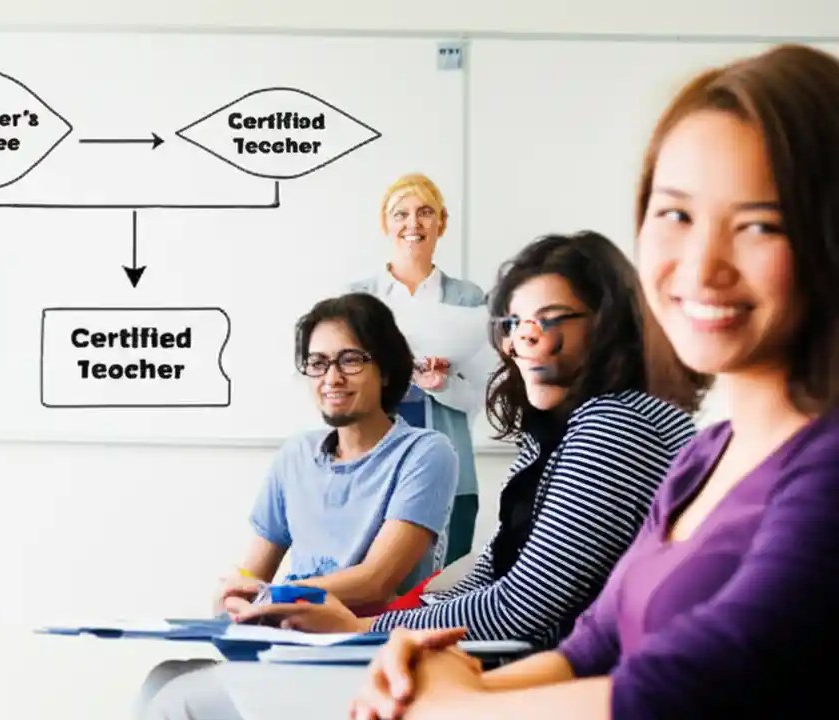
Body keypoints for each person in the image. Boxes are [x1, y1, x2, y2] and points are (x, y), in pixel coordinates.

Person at [349, 43, 839, 720]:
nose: (702, 263)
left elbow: (703, 681)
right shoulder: (708, 453)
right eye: (675, 215)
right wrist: (427, 676)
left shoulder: (822, 461)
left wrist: (453, 703)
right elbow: (593, 642)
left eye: (759, 224)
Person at [142, 232, 706, 720]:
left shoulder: (616, 423)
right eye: (513, 323)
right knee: (166, 680)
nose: (525, 338)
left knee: (185, 700)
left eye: (551, 320)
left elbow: (524, 607)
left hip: (525, 673)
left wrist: (364, 629)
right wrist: (254, 595)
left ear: (609, 326)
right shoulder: (552, 435)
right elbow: (489, 573)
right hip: (485, 653)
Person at [135, 293, 459, 718]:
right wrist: (233, 594)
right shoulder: (296, 454)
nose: (332, 377)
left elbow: (376, 580)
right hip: (286, 640)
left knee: (183, 700)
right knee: (165, 677)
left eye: (350, 360)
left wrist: (272, 597)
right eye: (318, 362)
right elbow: (253, 570)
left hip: (361, 650)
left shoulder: (427, 452)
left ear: (385, 369)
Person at [350, 173, 489, 567]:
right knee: (373, 587)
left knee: (443, 589)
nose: (413, 224)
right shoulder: (358, 299)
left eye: (425, 212)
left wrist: (441, 385)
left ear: (440, 223)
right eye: (401, 214)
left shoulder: (468, 299)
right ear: (385, 223)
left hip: (451, 472)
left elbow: (480, 395)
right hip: (374, 470)